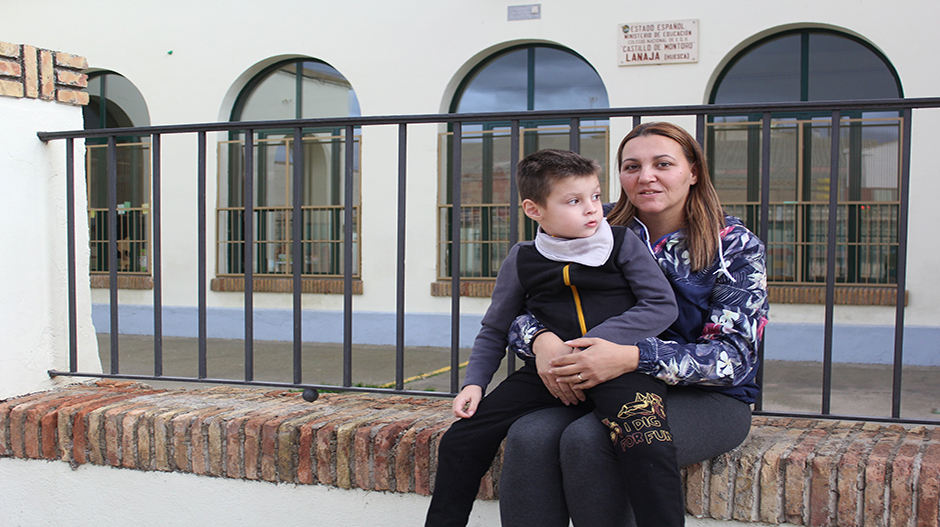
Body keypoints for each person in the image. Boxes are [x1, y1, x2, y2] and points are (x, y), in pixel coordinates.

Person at [498, 122, 770, 527]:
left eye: (663, 164)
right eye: (631, 166)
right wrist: (541, 340)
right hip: (600, 387)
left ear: (693, 172)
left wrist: (632, 357)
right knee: (528, 436)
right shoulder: (592, 225)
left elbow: (733, 358)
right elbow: (517, 308)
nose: (646, 177)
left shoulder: (733, 245)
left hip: (707, 398)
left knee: (590, 441)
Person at [425, 149, 681, 527]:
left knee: (647, 441)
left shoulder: (623, 243)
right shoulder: (523, 258)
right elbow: (497, 325)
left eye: (595, 196)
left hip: (618, 369)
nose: (593, 209)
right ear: (534, 210)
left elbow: (661, 306)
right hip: (549, 372)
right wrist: (474, 383)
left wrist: (592, 344)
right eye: (574, 201)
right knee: (462, 438)